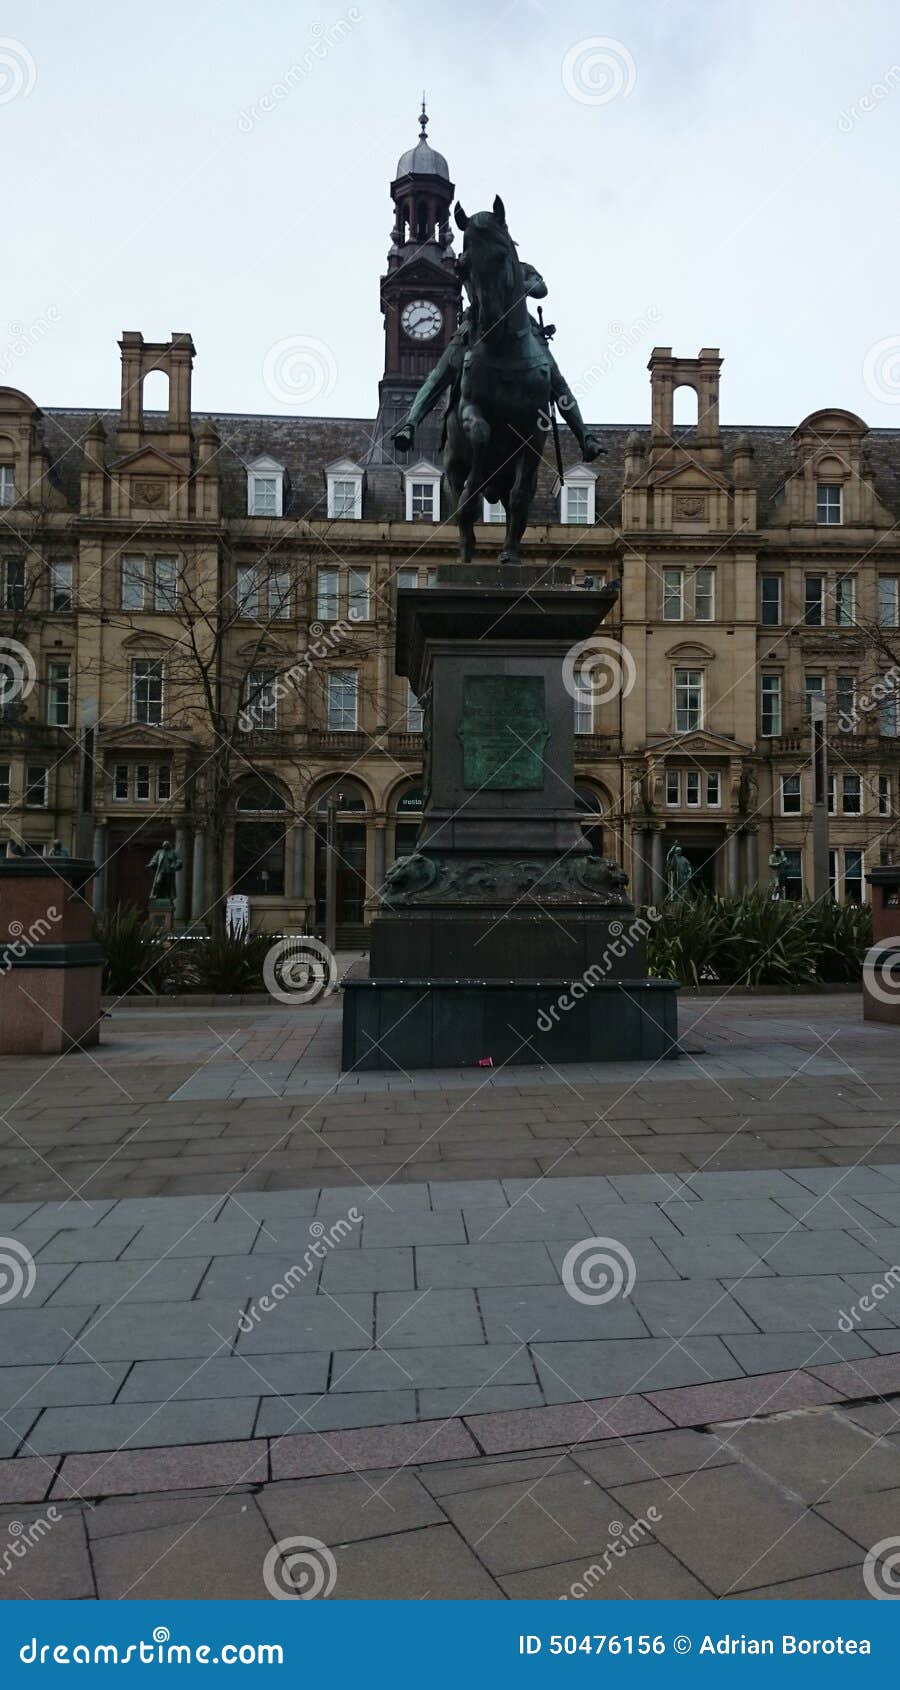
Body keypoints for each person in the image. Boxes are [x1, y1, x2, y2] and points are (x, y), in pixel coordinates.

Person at [391, 261, 603, 465]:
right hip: (475, 328)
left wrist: (516, 286)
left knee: (556, 379)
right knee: (438, 375)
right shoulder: (475, 260)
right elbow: (461, 275)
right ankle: (410, 426)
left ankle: (585, 438)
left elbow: (541, 288)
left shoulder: (520, 268)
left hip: (522, 331)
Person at [148, 839, 182, 906]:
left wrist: (176, 865)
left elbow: (179, 860)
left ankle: (167, 897)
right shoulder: (159, 852)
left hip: (169, 871)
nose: (165, 847)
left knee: (168, 886)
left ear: (169, 845)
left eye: (166, 845)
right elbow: (154, 859)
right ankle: (156, 895)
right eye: (164, 846)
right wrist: (151, 864)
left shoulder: (173, 852)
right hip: (161, 871)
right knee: (158, 882)